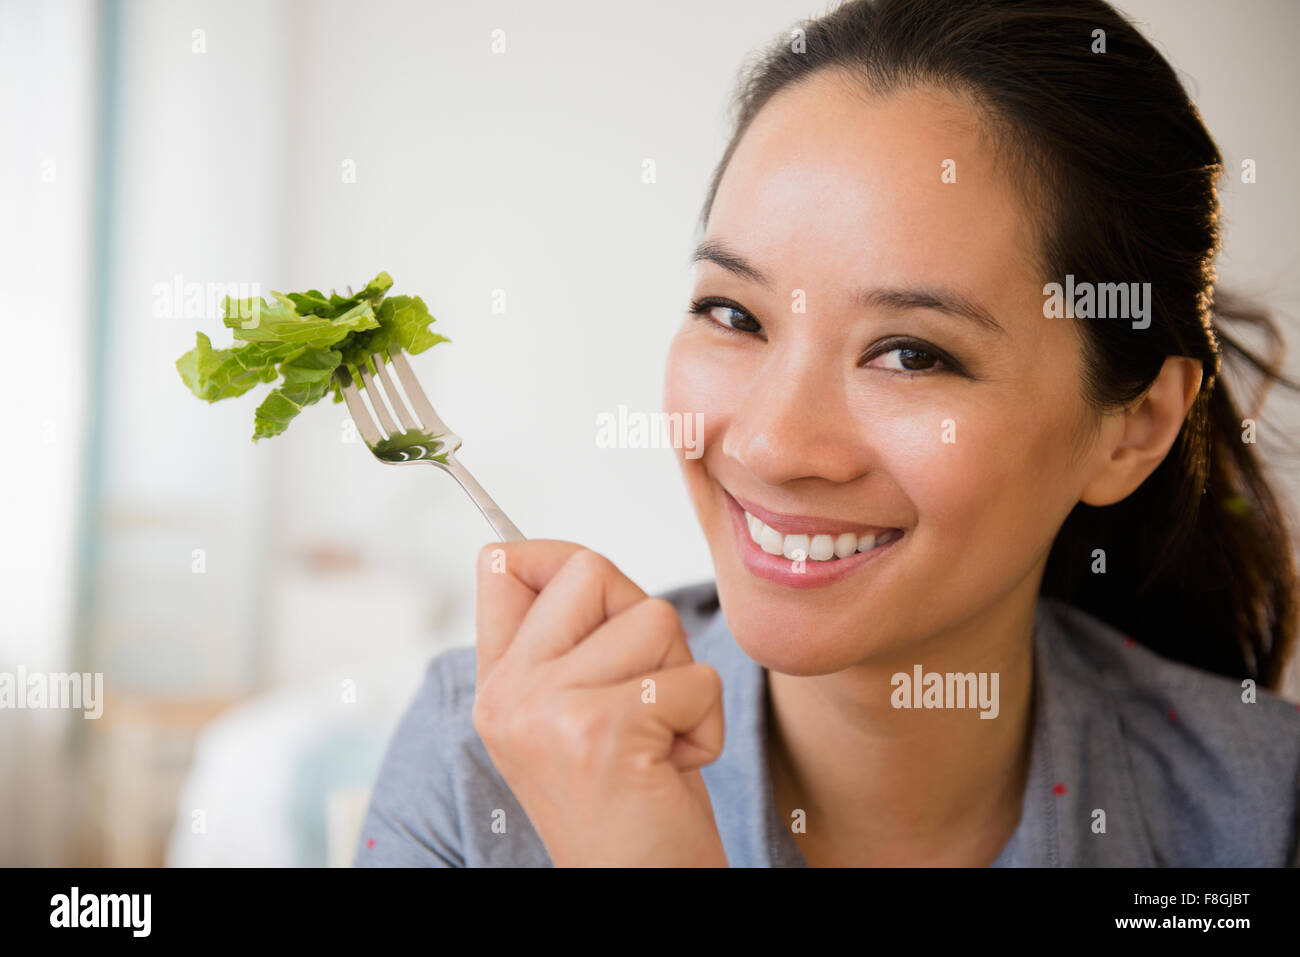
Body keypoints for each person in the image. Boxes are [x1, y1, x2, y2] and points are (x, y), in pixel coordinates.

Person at [355, 0, 1300, 867]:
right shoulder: (476, 769)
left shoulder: (1260, 813)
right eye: (734, 314)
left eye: (911, 354)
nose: (769, 445)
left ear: (1133, 429)